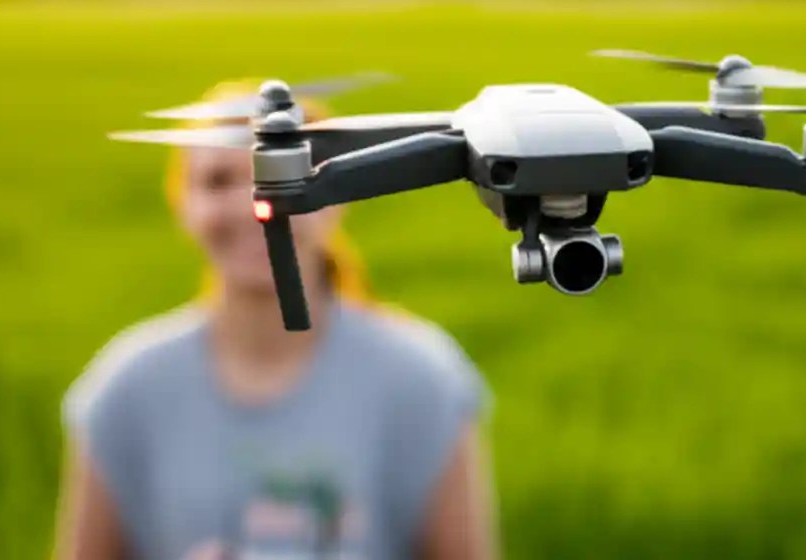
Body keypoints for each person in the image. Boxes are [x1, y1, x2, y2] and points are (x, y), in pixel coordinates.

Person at [54, 81, 497, 560]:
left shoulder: (422, 382)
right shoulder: (126, 390)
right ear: (182, 201)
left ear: (339, 194)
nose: (256, 204)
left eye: (287, 173)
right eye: (219, 181)